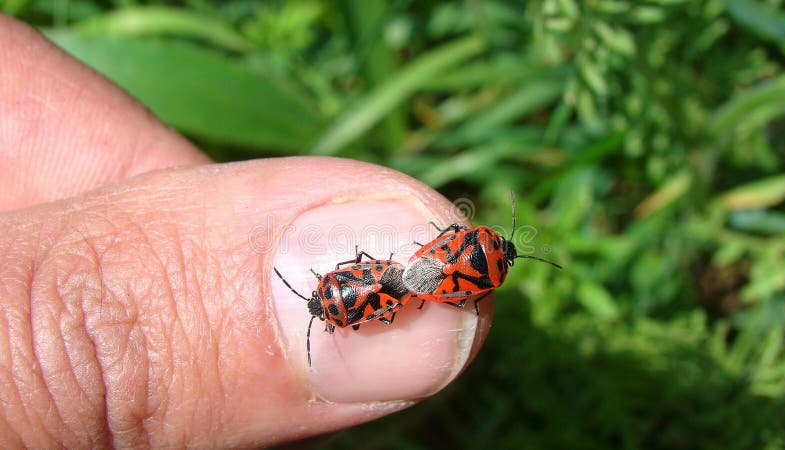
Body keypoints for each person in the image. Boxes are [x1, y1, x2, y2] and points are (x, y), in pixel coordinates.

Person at [0, 14, 491, 448]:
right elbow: (360, 268)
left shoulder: (343, 303)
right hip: (381, 281)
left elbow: (365, 288)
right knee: (372, 279)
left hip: (383, 288)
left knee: (377, 296)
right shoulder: (337, 287)